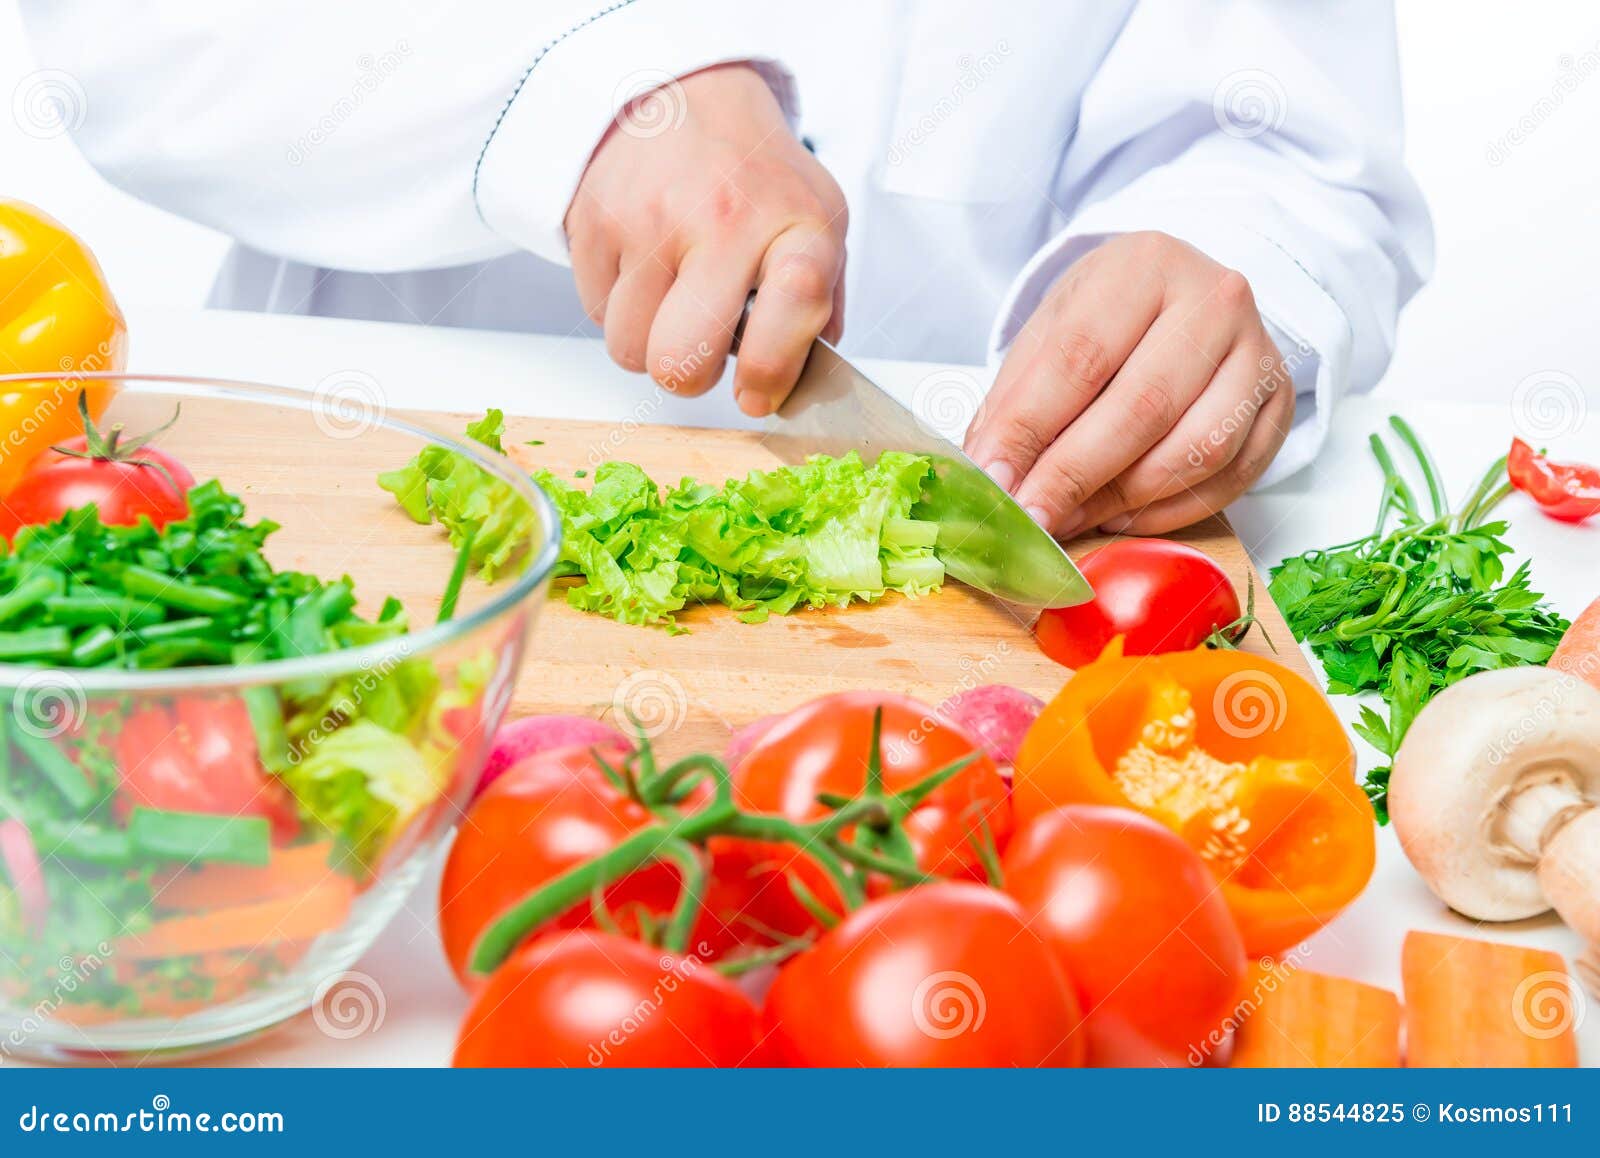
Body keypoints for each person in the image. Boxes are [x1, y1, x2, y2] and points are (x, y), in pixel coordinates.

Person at [21, 1, 1431, 536]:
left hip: (999, 523)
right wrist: (591, 96)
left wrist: (1229, 257)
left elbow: (1289, 131)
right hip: (383, 498)